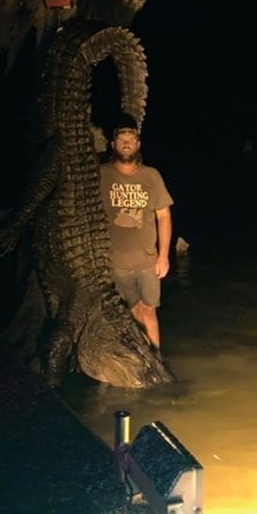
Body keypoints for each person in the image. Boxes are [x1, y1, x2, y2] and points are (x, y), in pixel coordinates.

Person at [100, 117, 173, 352]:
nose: (126, 142)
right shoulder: (101, 175)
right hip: (117, 262)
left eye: (131, 138)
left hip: (147, 260)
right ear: (113, 145)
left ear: (138, 144)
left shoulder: (151, 176)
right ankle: (140, 356)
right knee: (132, 311)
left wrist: (164, 256)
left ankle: (156, 356)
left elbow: (164, 216)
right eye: (121, 139)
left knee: (149, 310)